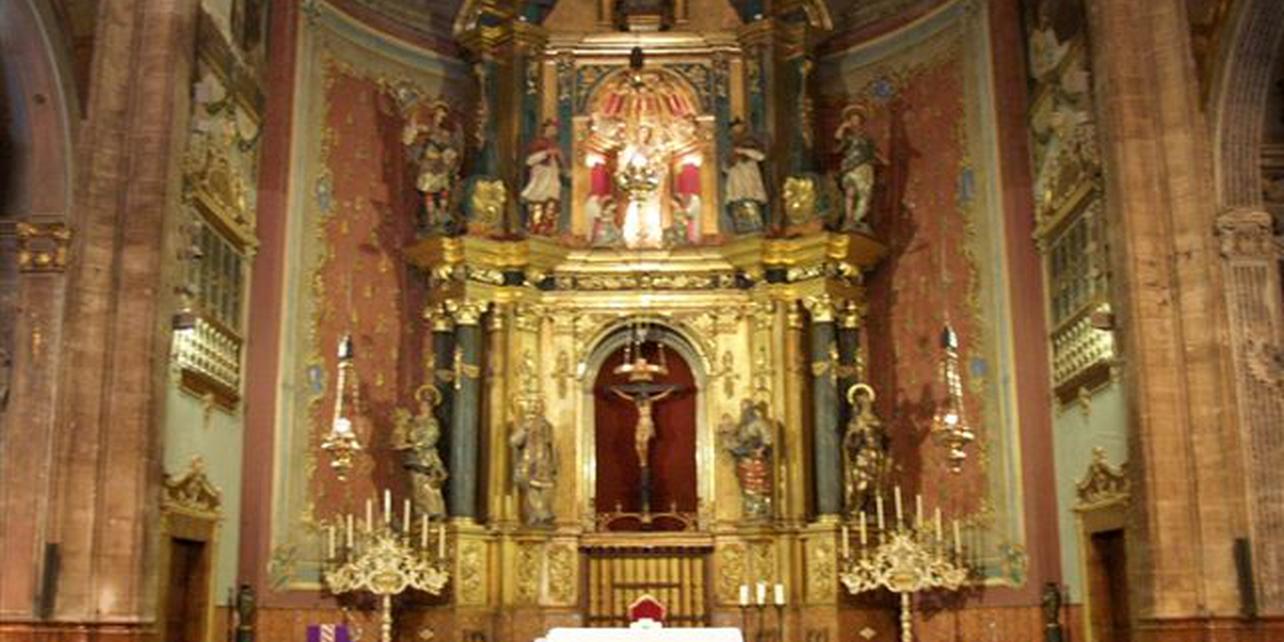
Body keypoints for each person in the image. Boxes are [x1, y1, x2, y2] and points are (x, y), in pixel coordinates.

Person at [402, 104, 462, 230]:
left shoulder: (445, 134)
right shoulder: (426, 130)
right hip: (428, 164)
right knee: (428, 190)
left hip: (440, 166)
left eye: (442, 114)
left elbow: (451, 148)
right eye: (438, 114)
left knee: (443, 190)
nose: (440, 117)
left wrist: (449, 156)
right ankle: (431, 216)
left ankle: (442, 213)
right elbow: (411, 141)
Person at [392, 388, 448, 519]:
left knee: (426, 486)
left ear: (431, 406)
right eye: (422, 404)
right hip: (414, 459)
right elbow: (403, 435)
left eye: (426, 404)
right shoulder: (413, 421)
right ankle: (421, 514)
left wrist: (411, 445)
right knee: (416, 488)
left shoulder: (432, 422)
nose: (423, 407)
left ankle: (433, 513)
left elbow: (430, 439)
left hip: (427, 459)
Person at [720, 399, 776, 519]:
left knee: (758, 485)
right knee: (746, 485)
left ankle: (761, 511)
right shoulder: (741, 426)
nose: (745, 412)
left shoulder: (760, 423)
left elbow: (768, 439)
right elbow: (734, 440)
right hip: (743, 459)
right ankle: (750, 510)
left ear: (752, 409)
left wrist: (761, 449)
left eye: (747, 409)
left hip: (756, 459)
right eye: (743, 409)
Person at [834, 105, 883, 232]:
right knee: (850, 191)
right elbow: (838, 140)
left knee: (864, 195)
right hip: (851, 166)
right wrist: (842, 127)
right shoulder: (848, 137)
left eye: (857, 119)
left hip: (864, 167)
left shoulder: (867, 138)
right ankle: (849, 218)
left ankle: (857, 219)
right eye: (852, 119)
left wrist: (882, 159)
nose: (855, 121)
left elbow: (873, 152)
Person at [510, 398, 558, 525]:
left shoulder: (548, 426)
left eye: (539, 405)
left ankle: (543, 515)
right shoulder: (527, 424)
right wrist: (525, 429)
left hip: (544, 464)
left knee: (545, 492)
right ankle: (537, 516)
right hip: (529, 464)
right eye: (534, 405)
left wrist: (553, 464)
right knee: (531, 491)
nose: (537, 408)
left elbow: (552, 446)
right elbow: (514, 441)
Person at [724, 118, 768, 232]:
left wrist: (743, 151)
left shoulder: (751, 147)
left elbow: (761, 156)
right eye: (734, 133)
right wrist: (732, 160)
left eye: (740, 133)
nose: (737, 136)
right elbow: (724, 167)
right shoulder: (730, 150)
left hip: (751, 189)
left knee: (754, 220)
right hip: (737, 190)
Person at [521, 119, 564, 235]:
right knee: (537, 202)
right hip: (541, 175)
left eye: (555, 129)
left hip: (551, 176)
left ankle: (548, 228)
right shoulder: (537, 143)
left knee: (552, 202)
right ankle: (535, 228)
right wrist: (546, 153)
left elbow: (560, 161)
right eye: (551, 129)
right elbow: (530, 161)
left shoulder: (555, 145)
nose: (553, 131)